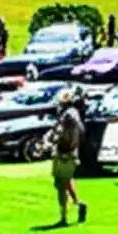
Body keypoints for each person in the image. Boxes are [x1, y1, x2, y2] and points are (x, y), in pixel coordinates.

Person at [48, 91, 88, 225]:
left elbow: (72, 135)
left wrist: (66, 151)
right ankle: (78, 204)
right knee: (63, 181)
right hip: (64, 152)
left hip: (66, 154)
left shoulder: (70, 115)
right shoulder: (70, 113)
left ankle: (63, 217)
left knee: (60, 185)